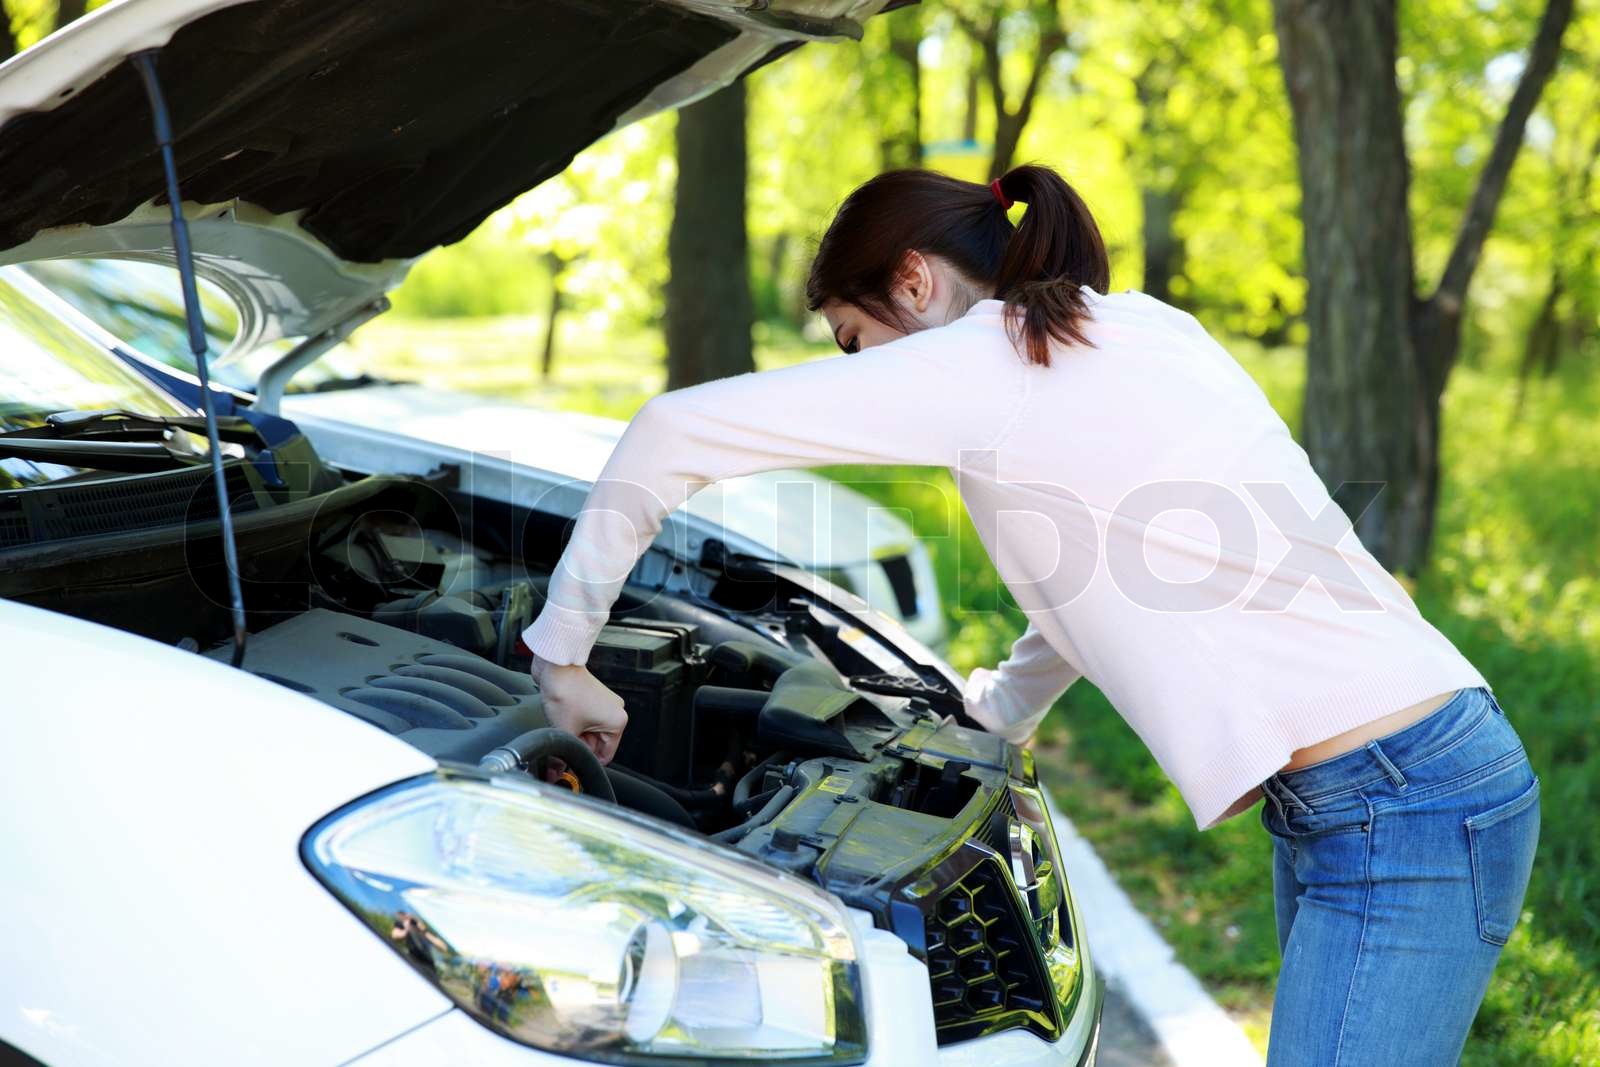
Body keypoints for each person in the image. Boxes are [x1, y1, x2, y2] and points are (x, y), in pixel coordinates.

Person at [521, 164, 1539, 1066]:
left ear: (913, 280)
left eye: (852, 340)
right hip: (1398, 781)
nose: (859, 368)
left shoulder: (983, 363)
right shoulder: (1135, 326)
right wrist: (997, 713)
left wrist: (563, 655)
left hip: (1399, 805)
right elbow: (1108, 571)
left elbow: (669, 429)